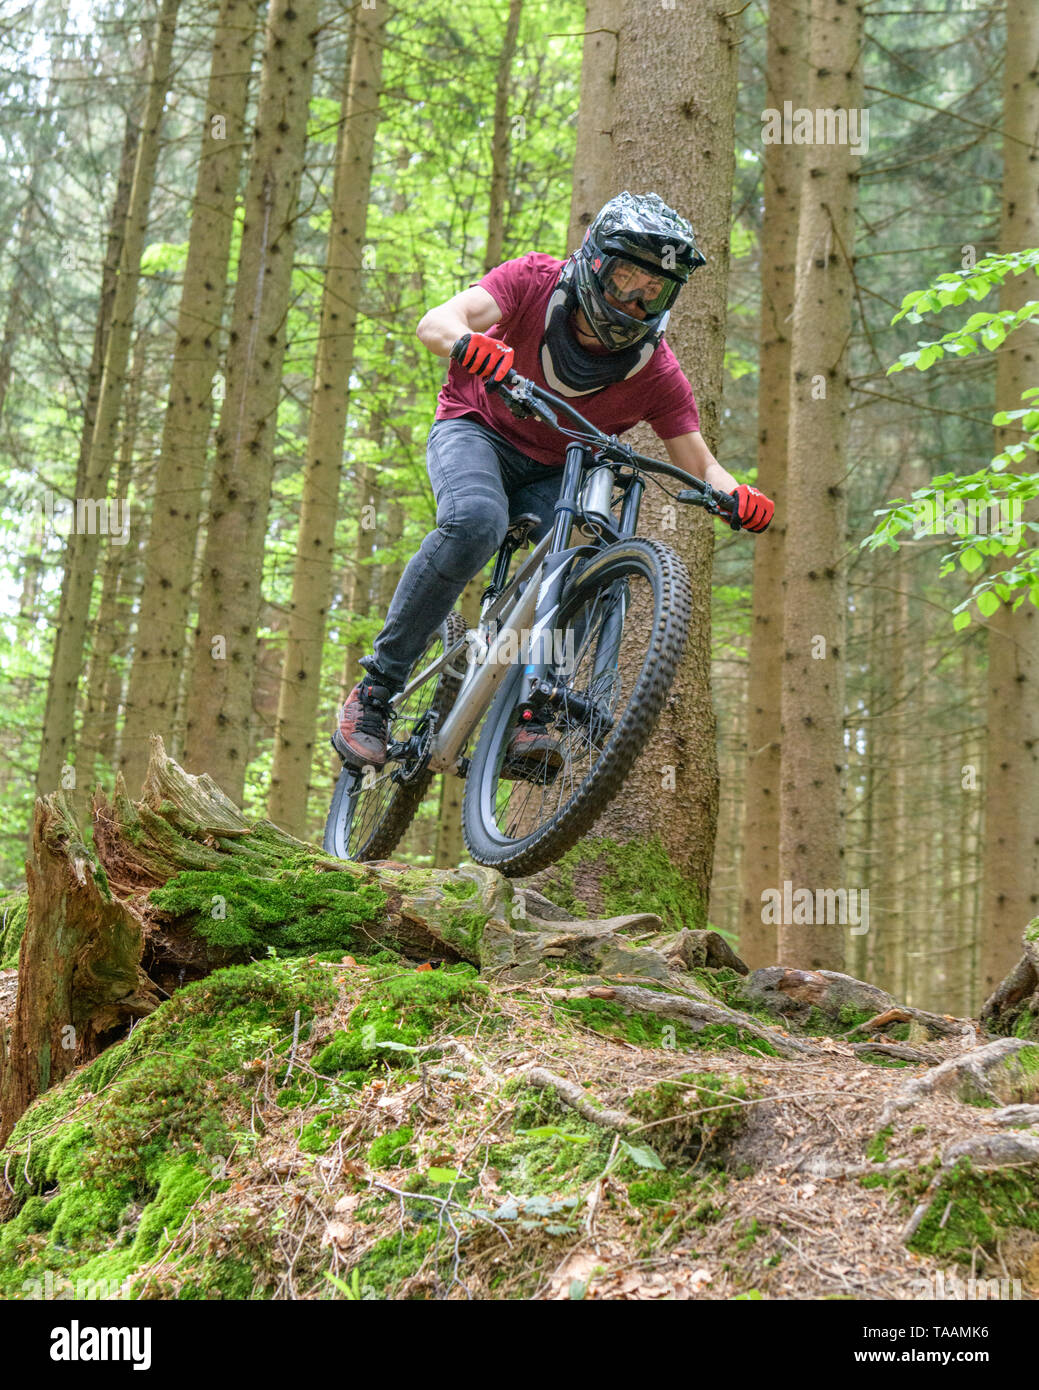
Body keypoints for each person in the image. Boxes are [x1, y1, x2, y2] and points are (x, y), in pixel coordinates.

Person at [334, 190, 774, 772]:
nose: (634, 299)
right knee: (475, 523)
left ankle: (529, 716)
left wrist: (736, 495)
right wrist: (471, 345)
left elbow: (699, 461)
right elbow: (437, 321)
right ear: (594, 263)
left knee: (588, 561)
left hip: (556, 473)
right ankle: (375, 691)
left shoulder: (658, 371)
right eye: (624, 279)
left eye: (653, 291)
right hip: (475, 431)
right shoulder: (533, 282)